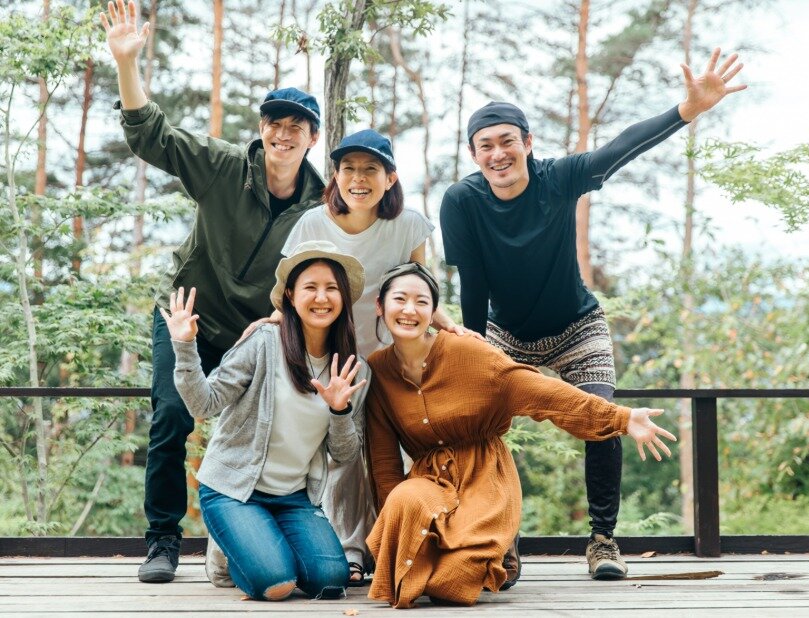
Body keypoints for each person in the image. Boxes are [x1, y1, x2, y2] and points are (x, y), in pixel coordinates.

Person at [439, 48, 746, 580]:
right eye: (485, 145)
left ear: (528, 143)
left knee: (601, 417)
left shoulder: (558, 178)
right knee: (479, 424)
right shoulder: (461, 201)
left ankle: (603, 541)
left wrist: (687, 110)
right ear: (473, 154)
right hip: (504, 332)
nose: (498, 154)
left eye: (508, 141)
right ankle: (497, 542)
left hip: (576, 327)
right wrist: (473, 352)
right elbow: (474, 283)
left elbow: (619, 148)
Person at [99, 0, 325, 582]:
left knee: (266, 428)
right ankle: (162, 540)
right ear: (262, 129)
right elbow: (152, 135)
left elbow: (343, 263)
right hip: (187, 317)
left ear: (312, 137)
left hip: (254, 333)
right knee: (171, 417)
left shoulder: (319, 207)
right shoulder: (224, 167)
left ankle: (251, 539)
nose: (283, 133)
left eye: (296, 126)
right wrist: (126, 63)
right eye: (274, 123)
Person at [364, 262, 676, 608]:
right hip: (429, 483)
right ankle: (462, 555)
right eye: (400, 299)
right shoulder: (378, 369)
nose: (409, 310)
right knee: (404, 501)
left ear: (433, 311)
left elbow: (540, 392)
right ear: (380, 305)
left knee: (451, 584)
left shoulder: (468, 352)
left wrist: (622, 417)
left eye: (421, 302)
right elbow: (383, 462)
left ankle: (495, 550)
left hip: (484, 477)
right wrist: (394, 533)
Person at [244, 129, 472, 584]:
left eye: (370, 169)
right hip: (331, 358)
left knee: (392, 456)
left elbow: (418, 289)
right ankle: (345, 550)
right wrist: (270, 321)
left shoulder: (408, 224)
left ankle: (398, 546)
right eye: (348, 169)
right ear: (336, 176)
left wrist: (450, 326)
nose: (358, 178)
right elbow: (293, 288)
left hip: (388, 359)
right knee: (340, 455)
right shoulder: (312, 223)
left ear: (391, 178)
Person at [160, 241, 371, 601]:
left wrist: (340, 411)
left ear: (344, 298)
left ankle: (258, 542)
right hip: (233, 491)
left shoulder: (354, 369)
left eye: (332, 288)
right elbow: (203, 403)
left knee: (331, 581)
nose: (322, 298)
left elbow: (344, 454)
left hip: (295, 499)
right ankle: (232, 552)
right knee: (276, 584)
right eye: (310, 287)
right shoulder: (264, 342)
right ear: (290, 295)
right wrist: (184, 347)